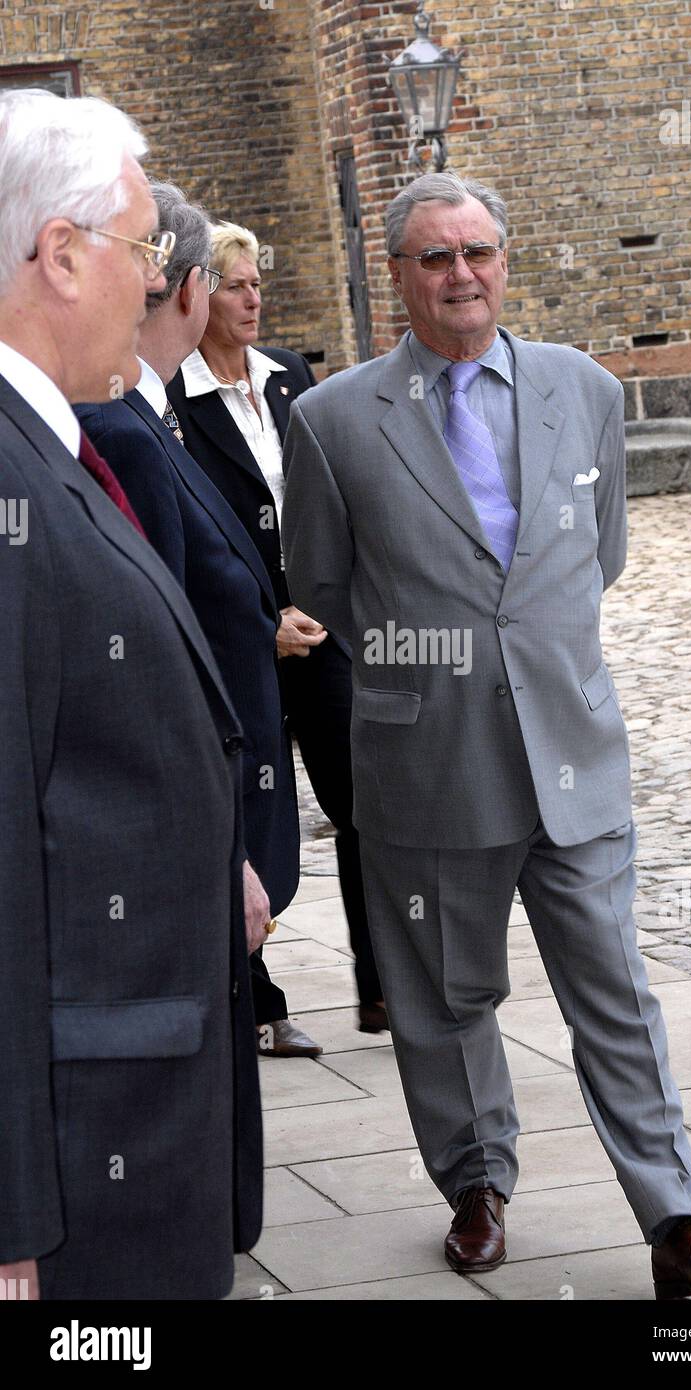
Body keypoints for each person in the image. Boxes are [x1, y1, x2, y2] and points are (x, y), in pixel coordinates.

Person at [281, 170, 691, 1300]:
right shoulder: (332, 418)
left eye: (480, 252)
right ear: (398, 274)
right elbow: (325, 586)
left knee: (618, 993)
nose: (463, 275)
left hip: (572, 754)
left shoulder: (581, 387)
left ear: (505, 259)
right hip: (425, 757)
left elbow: (601, 555)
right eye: (437, 257)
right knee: (448, 997)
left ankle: (676, 1216)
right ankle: (475, 1187)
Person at [0, 89, 263, 1299]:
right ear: (59, 255)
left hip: (136, 1093)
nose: (161, 284)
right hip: (80, 1159)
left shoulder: (59, 443)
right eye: (144, 249)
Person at [75, 184, 319, 1061]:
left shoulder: (152, 414)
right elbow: (160, 653)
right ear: (188, 290)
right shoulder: (130, 427)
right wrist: (225, 856)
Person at [167, 221, 386, 1034]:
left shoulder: (292, 377)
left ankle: (381, 980)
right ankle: (258, 1000)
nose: (253, 298)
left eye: (258, 283)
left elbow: (330, 499)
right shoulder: (171, 400)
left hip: (321, 626)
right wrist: (258, 621)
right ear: (197, 292)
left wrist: (327, 601)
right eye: (234, 285)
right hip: (238, 637)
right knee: (251, 814)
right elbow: (190, 532)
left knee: (364, 801)